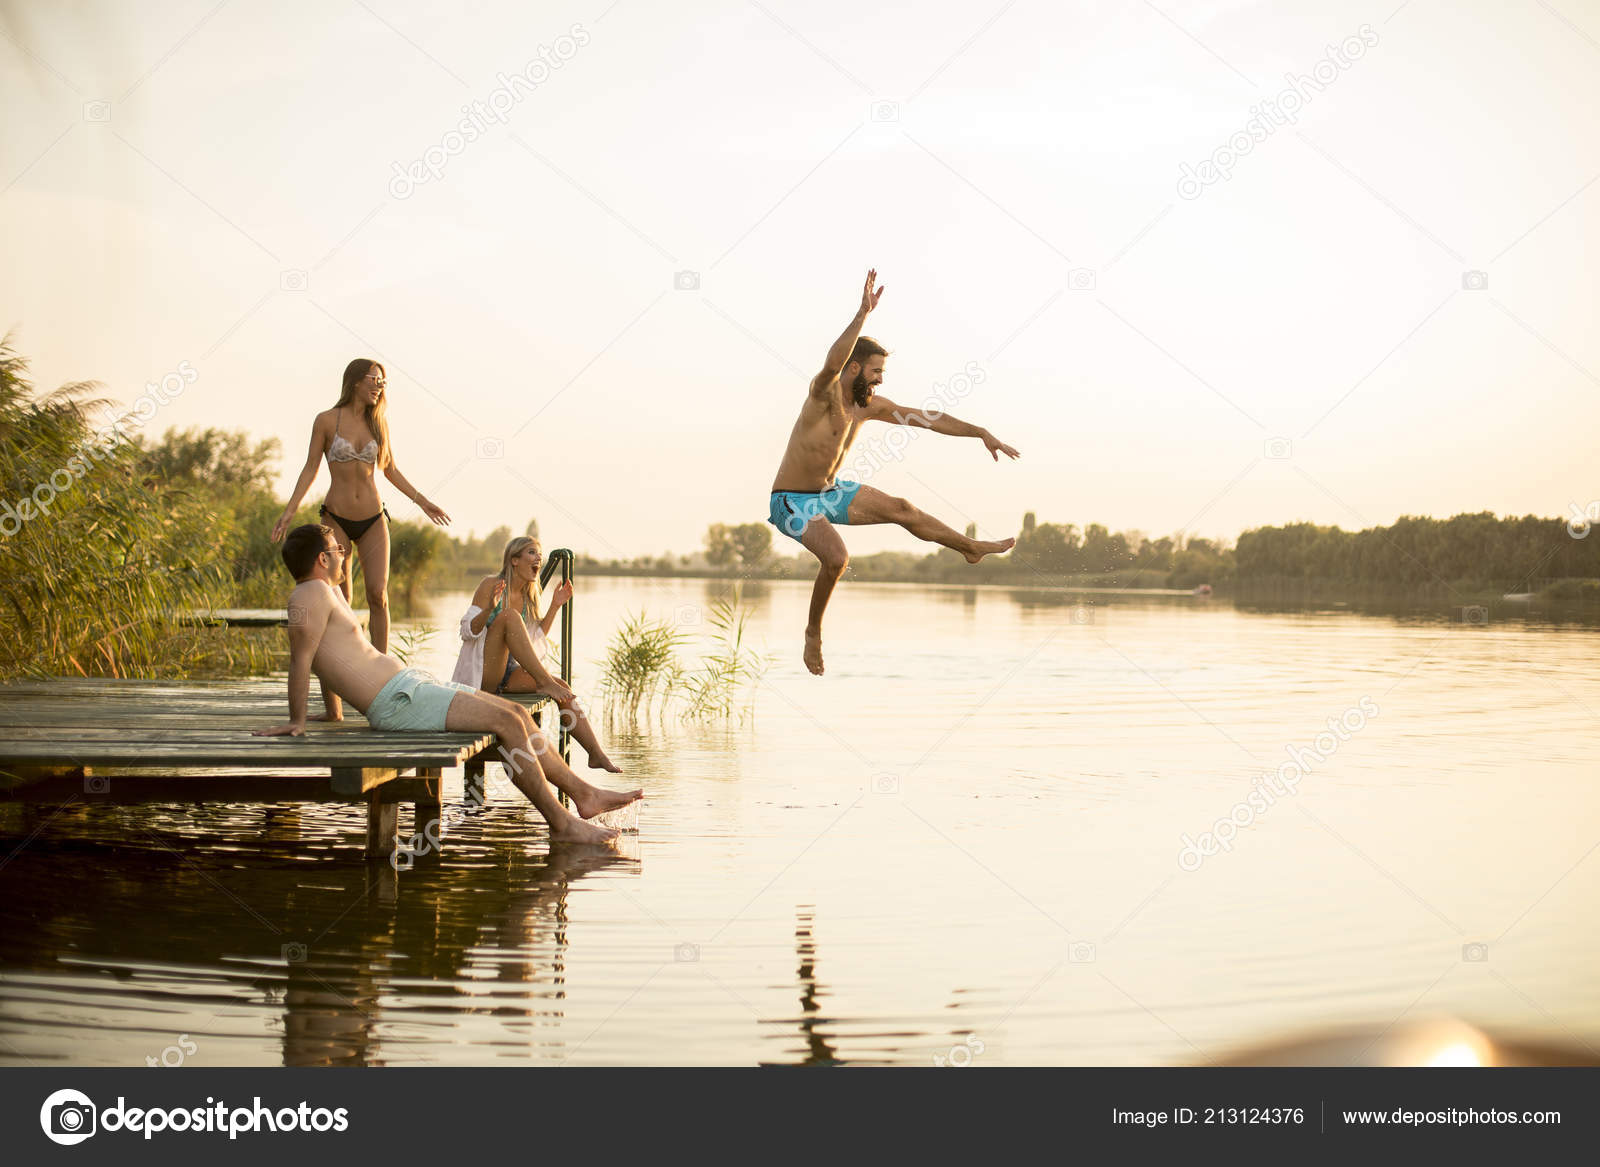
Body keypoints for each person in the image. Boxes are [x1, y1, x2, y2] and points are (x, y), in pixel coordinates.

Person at [252, 524, 641, 844]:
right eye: (338, 549)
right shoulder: (310, 593)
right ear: (322, 559)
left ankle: (583, 794)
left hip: (408, 686)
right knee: (508, 723)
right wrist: (297, 721)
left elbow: (330, 656)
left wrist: (333, 712)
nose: (344, 553)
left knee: (517, 713)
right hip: (398, 701)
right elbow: (302, 659)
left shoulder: (326, 591)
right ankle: (562, 823)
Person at [769, 269, 1020, 675]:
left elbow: (927, 418)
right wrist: (862, 314)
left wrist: (980, 433)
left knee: (903, 508)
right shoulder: (822, 394)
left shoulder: (869, 406)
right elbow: (832, 362)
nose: (881, 378)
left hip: (829, 493)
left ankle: (969, 548)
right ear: (852, 368)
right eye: (874, 370)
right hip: (791, 502)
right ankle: (813, 633)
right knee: (837, 558)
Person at [269, 359, 451, 653]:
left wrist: (424, 502)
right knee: (341, 596)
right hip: (335, 518)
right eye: (374, 380)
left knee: (378, 595)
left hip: (373, 520)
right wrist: (289, 512)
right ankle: (346, 661)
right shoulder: (326, 420)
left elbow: (390, 469)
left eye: (383, 382)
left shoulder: (378, 423)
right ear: (355, 381)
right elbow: (310, 468)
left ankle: (382, 669)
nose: (379, 387)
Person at [454, 535, 621, 773]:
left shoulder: (528, 596)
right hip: (482, 675)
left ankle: (596, 754)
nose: (539, 559)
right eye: (532, 553)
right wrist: (491, 608)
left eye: (540, 555)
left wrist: (555, 605)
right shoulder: (490, 585)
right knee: (508, 617)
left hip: (508, 674)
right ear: (514, 560)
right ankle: (544, 682)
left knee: (560, 685)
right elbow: (466, 631)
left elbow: (531, 643)